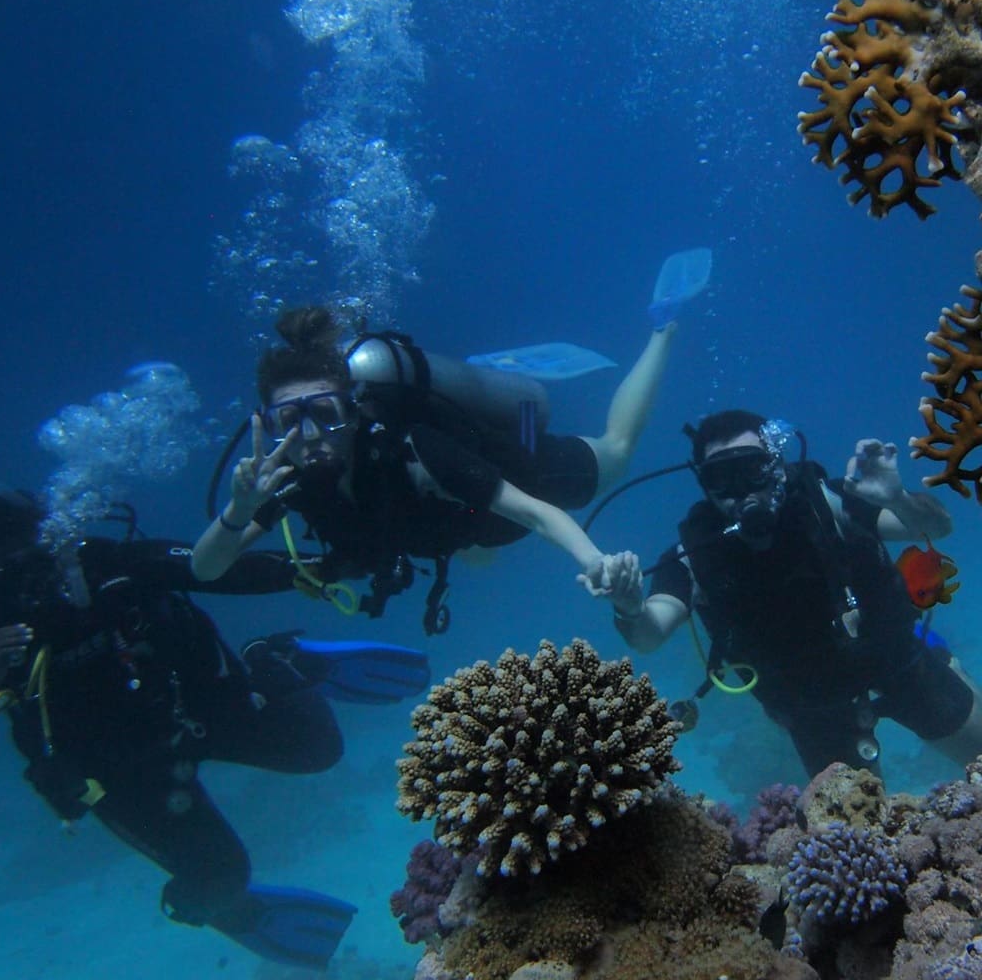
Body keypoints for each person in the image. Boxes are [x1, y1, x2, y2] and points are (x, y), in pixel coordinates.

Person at [0, 492, 428, 967]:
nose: (18, 575)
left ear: (53, 538)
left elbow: (216, 568)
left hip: (200, 713)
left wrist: (322, 568)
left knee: (319, 748)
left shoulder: (108, 566)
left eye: (25, 551)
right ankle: (227, 907)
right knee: (216, 883)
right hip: (122, 776)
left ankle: (273, 658)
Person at [191, 305, 679, 624]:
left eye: (325, 413)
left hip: (518, 474)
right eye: (289, 421)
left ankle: (662, 329)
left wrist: (595, 562)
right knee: (478, 551)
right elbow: (205, 569)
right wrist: (239, 510)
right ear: (268, 425)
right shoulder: (281, 482)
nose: (311, 436)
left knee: (616, 451)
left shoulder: (416, 448)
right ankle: (502, 389)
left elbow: (535, 513)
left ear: (355, 409)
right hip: (465, 526)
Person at [603, 409, 982, 779]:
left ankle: (940, 655)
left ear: (777, 465)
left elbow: (936, 526)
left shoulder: (827, 503)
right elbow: (650, 634)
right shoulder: (695, 555)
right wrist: (630, 607)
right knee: (851, 834)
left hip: (900, 663)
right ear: (705, 484)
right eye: (722, 477)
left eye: (752, 469)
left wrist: (896, 497)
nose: (743, 491)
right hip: (813, 707)